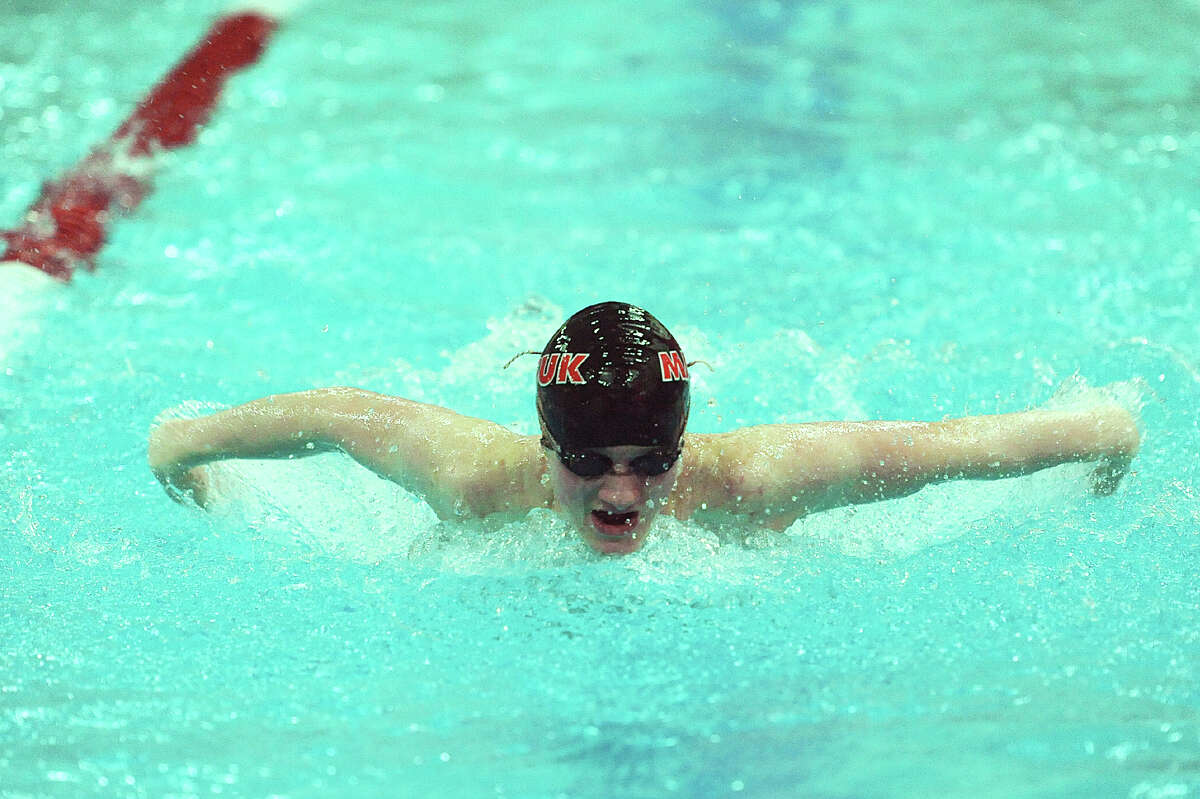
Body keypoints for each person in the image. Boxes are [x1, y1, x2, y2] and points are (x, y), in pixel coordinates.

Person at [148, 301, 1141, 555]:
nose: (622, 492)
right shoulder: (473, 478)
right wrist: (185, 456)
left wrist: (1106, 443)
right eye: (589, 461)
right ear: (545, 445)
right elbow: (330, 416)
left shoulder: (758, 481)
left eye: (650, 461)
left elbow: (955, 450)